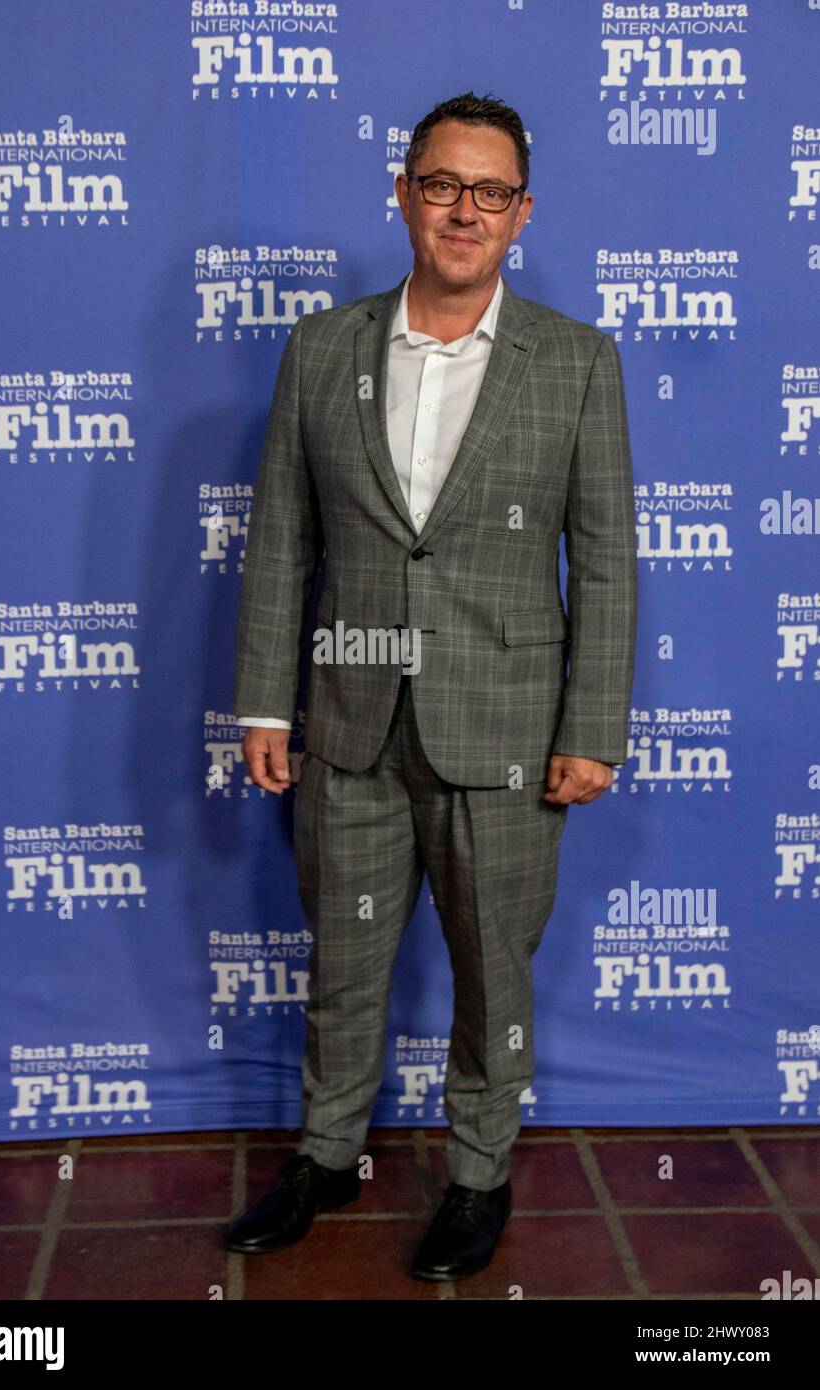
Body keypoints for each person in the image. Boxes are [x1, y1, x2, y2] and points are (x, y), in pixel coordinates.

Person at [224, 91, 637, 1282]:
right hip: (347, 724)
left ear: (520, 214)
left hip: (507, 732)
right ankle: (326, 1155)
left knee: (492, 971)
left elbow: (605, 558)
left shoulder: (576, 361)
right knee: (341, 967)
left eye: (489, 191)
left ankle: (476, 1173)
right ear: (401, 193)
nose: (464, 209)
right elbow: (281, 540)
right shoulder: (321, 348)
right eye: (441, 184)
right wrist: (264, 704)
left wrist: (590, 728)